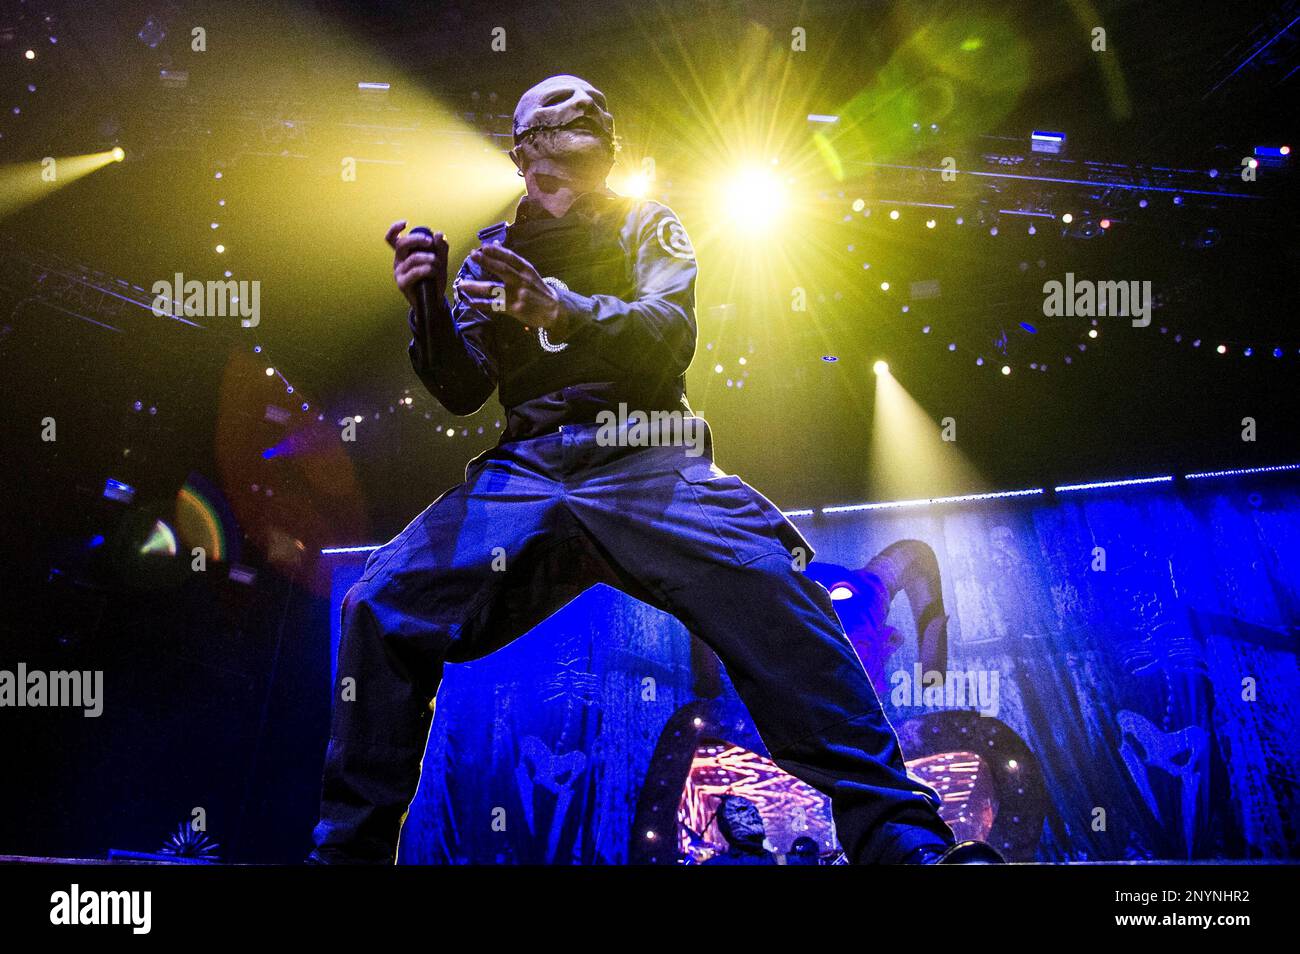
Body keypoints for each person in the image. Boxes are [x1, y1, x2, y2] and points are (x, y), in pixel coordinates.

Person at [309, 74, 1000, 866]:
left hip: (647, 459)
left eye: (595, 114)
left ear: (609, 149)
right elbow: (462, 388)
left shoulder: (649, 225)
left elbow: (670, 334)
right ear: (524, 148)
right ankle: (347, 857)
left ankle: (905, 843)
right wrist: (427, 302)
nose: (585, 114)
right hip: (529, 469)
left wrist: (562, 311)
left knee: (778, 592)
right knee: (378, 604)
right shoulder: (494, 253)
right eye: (560, 111)